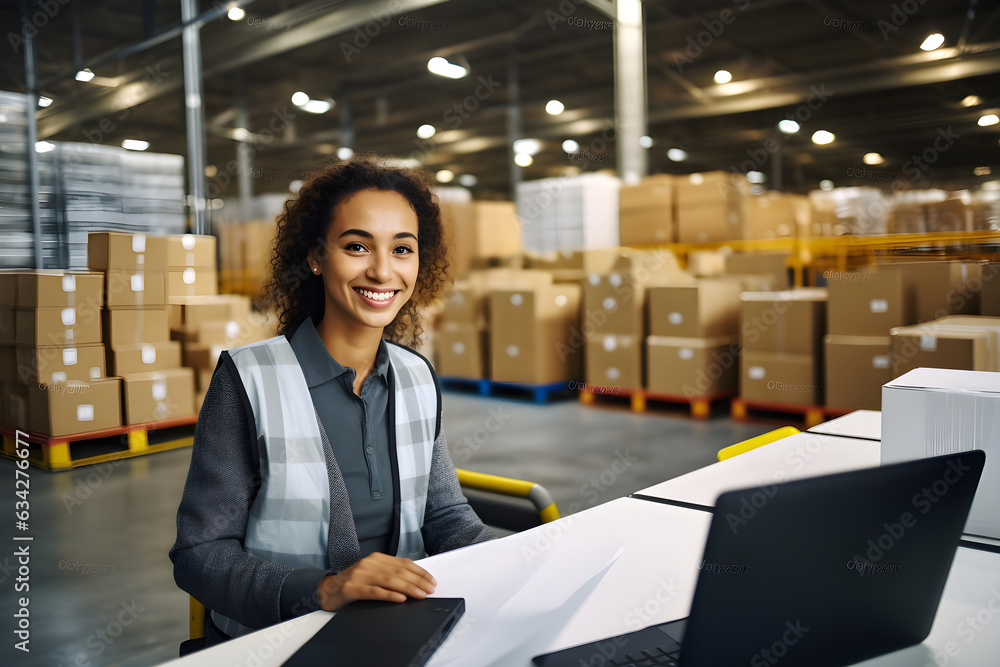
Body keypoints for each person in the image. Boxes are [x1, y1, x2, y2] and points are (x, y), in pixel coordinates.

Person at [169, 155, 495, 646]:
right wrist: (324, 588)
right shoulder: (248, 380)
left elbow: (444, 517)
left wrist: (529, 555)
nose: (383, 271)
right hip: (276, 643)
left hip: (396, 632)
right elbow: (199, 553)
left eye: (402, 249)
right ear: (316, 256)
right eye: (357, 246)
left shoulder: (416, 377)